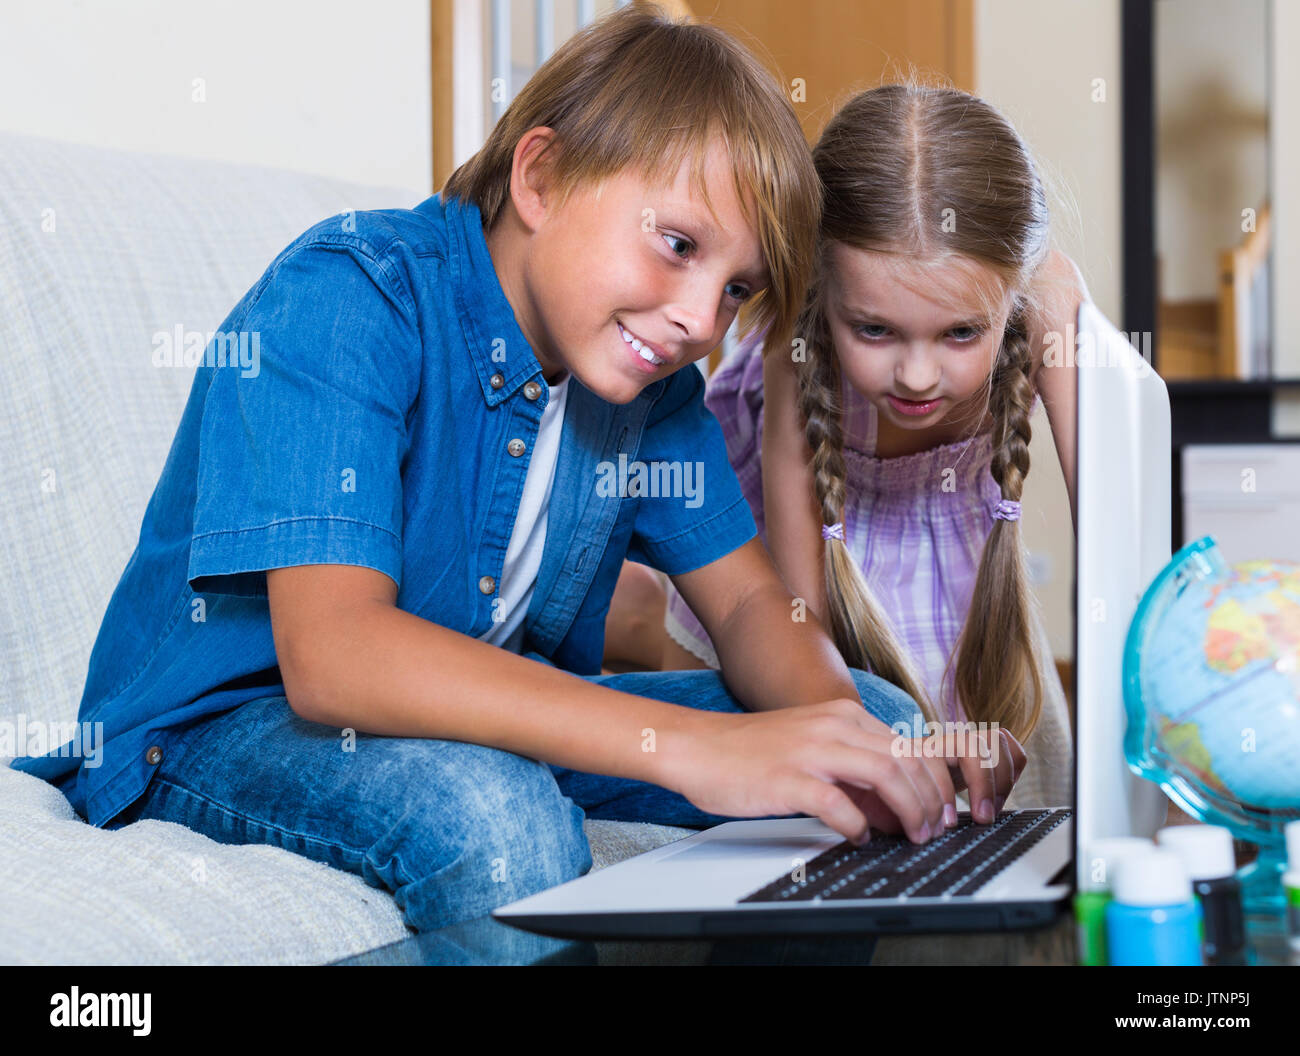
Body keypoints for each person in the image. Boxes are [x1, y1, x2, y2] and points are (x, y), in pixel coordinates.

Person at [11, 9, 1022, 934]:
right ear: (539, 179)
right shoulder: (348, 297)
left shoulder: (651, 390)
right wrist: (692, 749)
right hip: (218, 732)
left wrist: (830, 731)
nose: (697, 320)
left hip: (483, 723)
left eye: (734, 290)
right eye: (676, 245)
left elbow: (754, 605)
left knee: (874, 732)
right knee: (496, 819)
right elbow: (335, 658)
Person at [610, 82, 1087, 809]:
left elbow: (1118, 541)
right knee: (764, 683)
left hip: (941, 525)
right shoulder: (792, 351)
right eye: (873, 330)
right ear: (823, 291)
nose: (918, 376)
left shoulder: (1049, 300)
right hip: (798, 544)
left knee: (989, 754)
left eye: (962, 333)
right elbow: (800, 619)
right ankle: (644, 613)